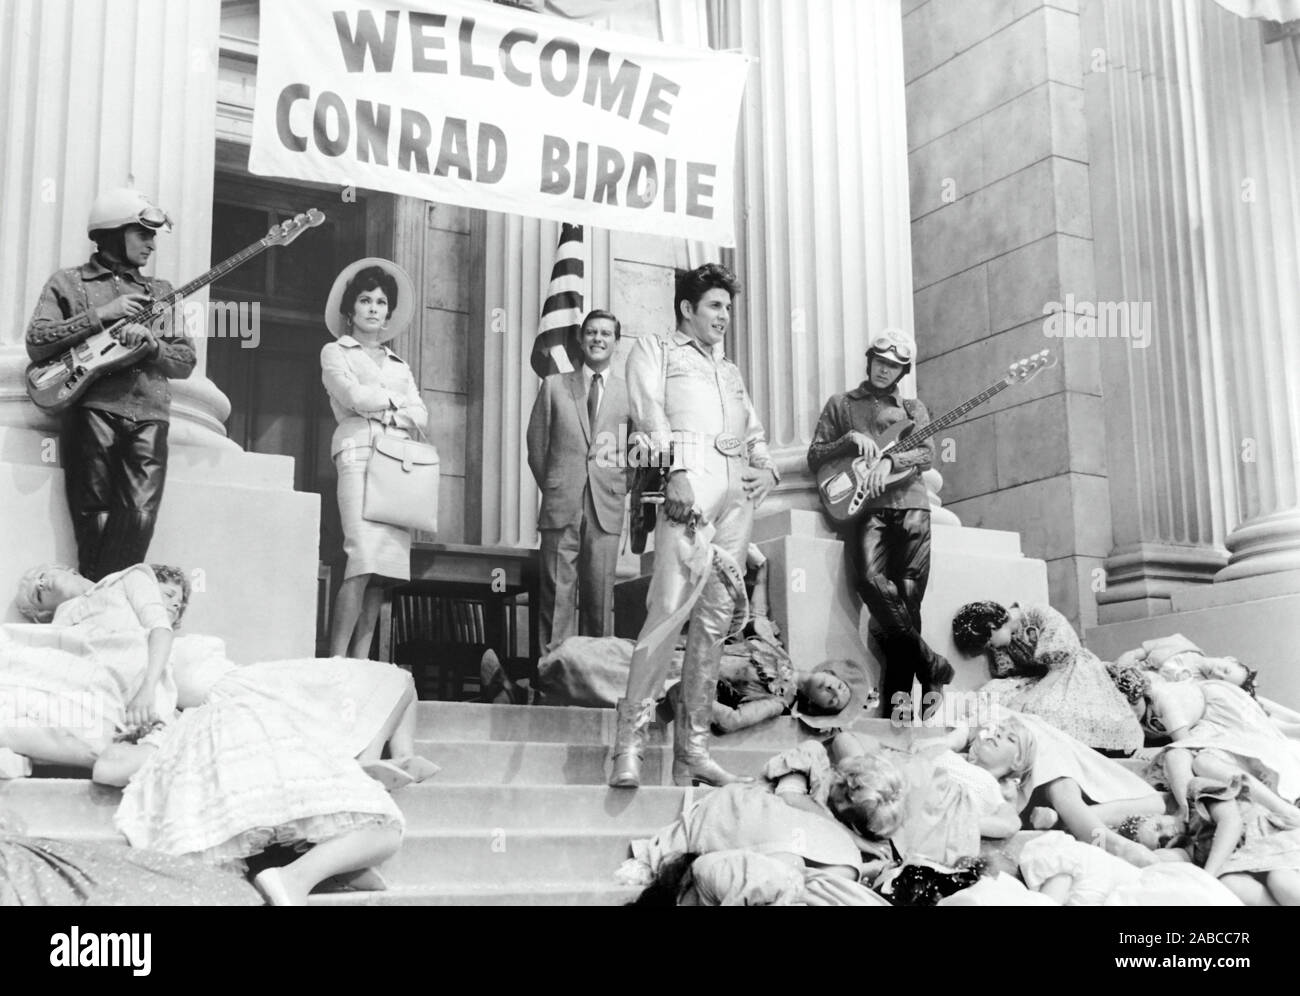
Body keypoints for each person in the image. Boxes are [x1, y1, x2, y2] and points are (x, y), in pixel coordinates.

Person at [609, 264, 778, 789]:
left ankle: (694, 752)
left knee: (712, 624)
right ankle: (629, 746)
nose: (724, 316)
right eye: (715, 306)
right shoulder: (656, 350)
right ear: (688, 308)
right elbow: (647, 411)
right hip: (690, 484)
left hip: (736, 500)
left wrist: (766, 467)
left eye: (728, 307)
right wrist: (674, 470)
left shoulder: (729, 369)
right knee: (666, 609)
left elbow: (752, 429)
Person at [26, 189, 195, 581]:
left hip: (150, 413)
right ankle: (101, 608)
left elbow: (185, 360)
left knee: (140, 516)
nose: (152, 245)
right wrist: (101, 314)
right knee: (94, 515)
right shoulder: (68, 282)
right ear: (113, 234)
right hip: (92, 409)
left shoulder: (161, 292)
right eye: (143, 234)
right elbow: (37, 340)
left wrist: (152, 347)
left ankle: (98, 602)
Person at [807, 329, 953, 721]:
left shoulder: (913, 409)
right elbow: (815, 454)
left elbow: (925, 452)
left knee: (907, 597)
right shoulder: (841, 405)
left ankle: (899, 702)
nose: (884, 370)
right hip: (867, 509)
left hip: (912, 505)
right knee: (870, 582)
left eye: (893, 366)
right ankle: (931, 665)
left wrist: (891, 461)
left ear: (901, 371)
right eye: (880, 362)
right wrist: (850, 440)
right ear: (869, 360)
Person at [321, 258, 428, 659]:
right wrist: (394, 405)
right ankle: (336, 658)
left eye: (381, 302)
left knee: (383, 570)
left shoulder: (400, 364)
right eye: (364, 300)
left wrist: (382, 405)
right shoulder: (335, 352)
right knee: (361, 556)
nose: (373, 308)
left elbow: (422, 415)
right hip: (357, 455)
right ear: (350, 309)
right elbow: (351, 397)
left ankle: (361, 660)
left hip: (398, 464)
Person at [4, 563, 187, 769]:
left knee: (93, 738)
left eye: (43, 576)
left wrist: (147, 689)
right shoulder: (57, 626)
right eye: (38, 594)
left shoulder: (125, 579)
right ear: (44, 613)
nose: (42, 584)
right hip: (73, 684)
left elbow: (160, 629)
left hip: (111, 683)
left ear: (69, 570)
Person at [526, 309, 631, 649]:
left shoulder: (629, 394)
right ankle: (549, 682)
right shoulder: (554, 386)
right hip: (562, 505)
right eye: (591, 332)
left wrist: (618, 486)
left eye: (606, 333)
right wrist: (557, 486)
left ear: (616, 342)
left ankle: (589, 684)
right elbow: (537, 447)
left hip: (606, 507)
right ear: (581, 339)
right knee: (555, 598)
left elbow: (637, 454)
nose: (598, 339)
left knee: (599, 602)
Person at [952, 600, 1143, 753]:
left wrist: (1027, 697)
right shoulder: (1004, 641)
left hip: (1070, 672)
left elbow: (1060, 667)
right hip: (1037, 676)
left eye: (989, 643)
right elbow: (1010, 673)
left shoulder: (1040, 615)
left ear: (993, 626)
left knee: (1045, 708)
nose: (992, 649)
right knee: (991, 695)